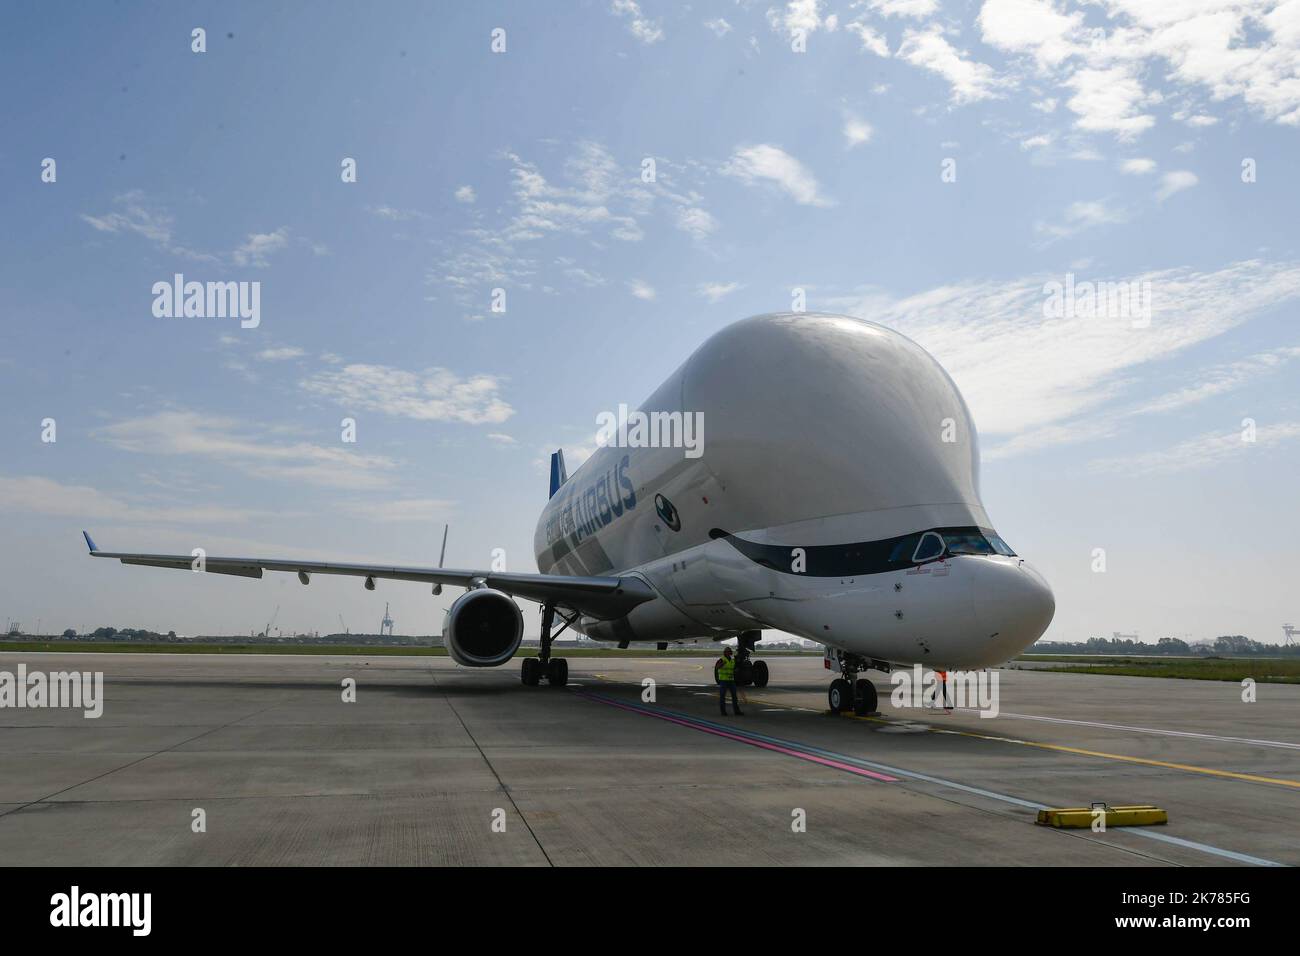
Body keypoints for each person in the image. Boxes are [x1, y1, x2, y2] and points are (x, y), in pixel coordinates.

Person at [715, 645, 744, 716]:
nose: (728, 653)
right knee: (722, 696)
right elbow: (717, 667)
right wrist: (722, 664)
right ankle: (723, 712)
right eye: (727, 652)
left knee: (734, 697)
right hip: (724, 681)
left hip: (731, 680)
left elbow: (732, 669)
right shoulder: (722, 659)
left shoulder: (732, 660)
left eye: (729, 652)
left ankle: (736, 711)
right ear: (725, 653)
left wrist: (736, 671)